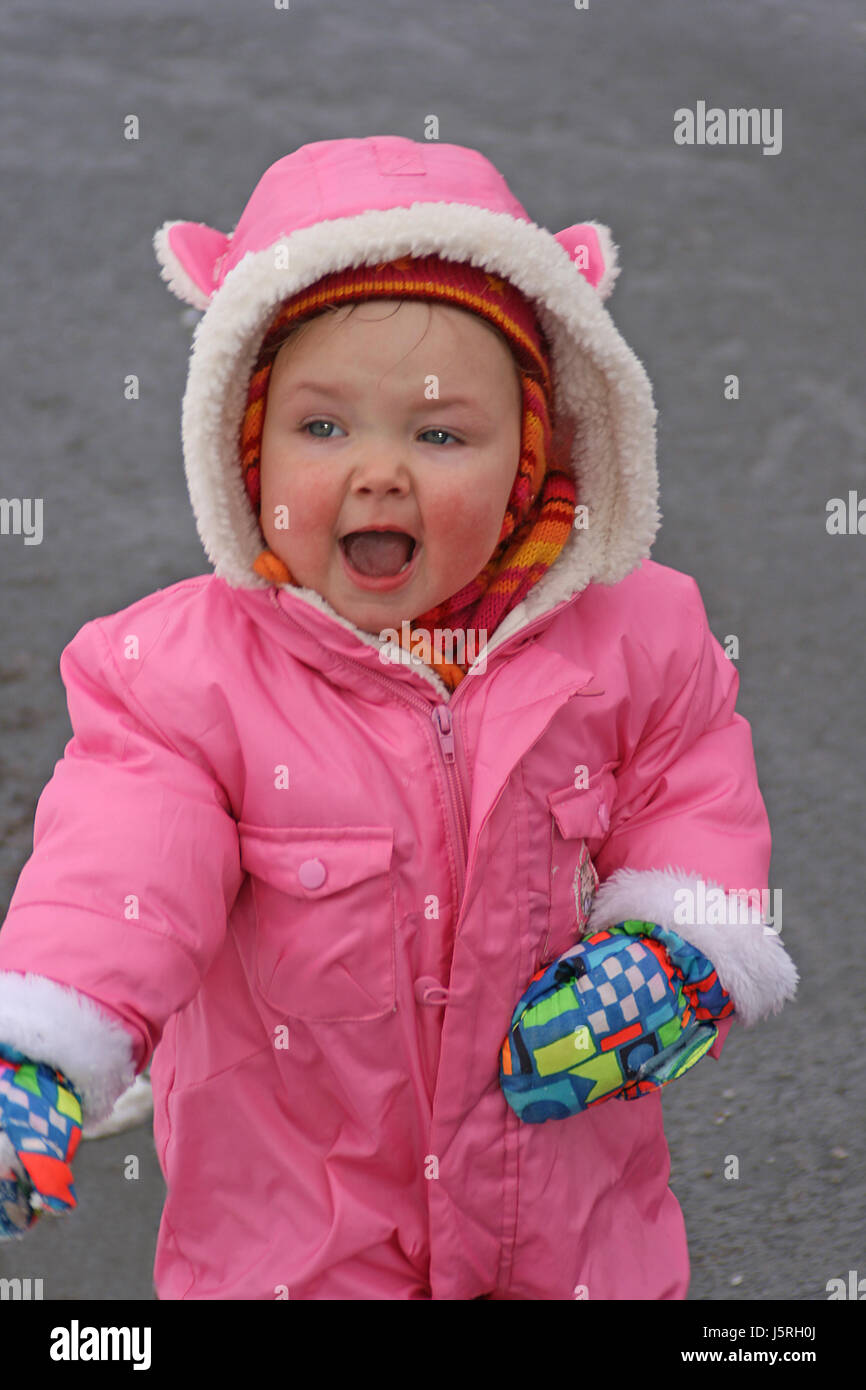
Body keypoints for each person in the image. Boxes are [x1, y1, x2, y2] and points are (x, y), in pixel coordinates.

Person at [0, 135, 797, 1299]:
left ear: (533, 453)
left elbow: (688, 792)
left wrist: (679, 955)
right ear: (244, 445)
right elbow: (119, 868)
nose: (378, 472)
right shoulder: (181, 680)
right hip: (299, 1241)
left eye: (438, 435)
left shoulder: (638, 640)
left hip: (565, 1227)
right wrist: (43, 1050)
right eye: (322, 427)